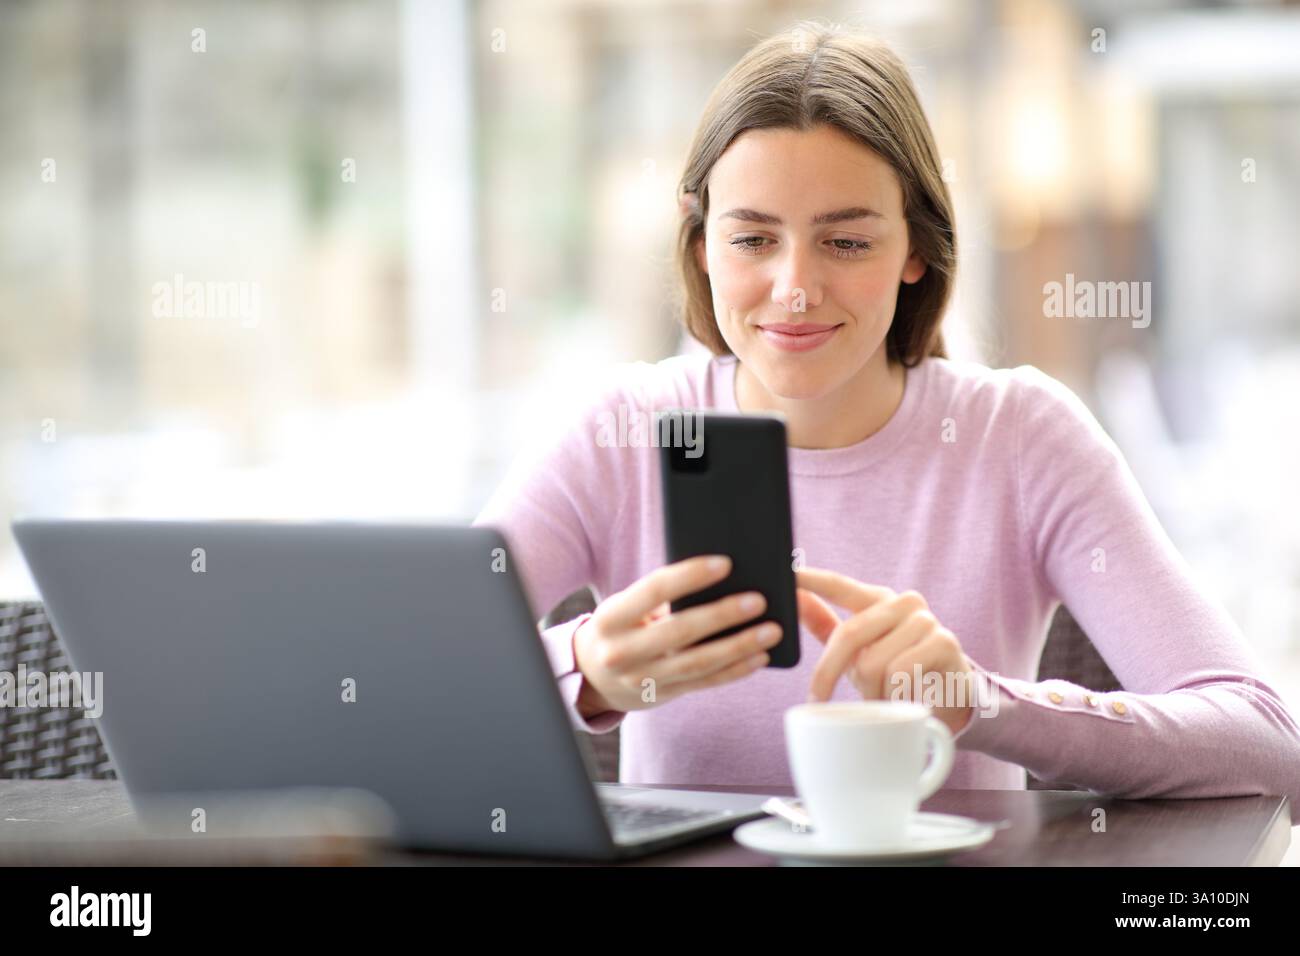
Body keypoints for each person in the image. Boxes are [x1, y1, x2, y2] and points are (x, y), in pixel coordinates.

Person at [473, 21, 1300, 804]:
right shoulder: (621, 432)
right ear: (700, 247)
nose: (794, 287)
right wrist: (582, 668)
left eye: (847, 241)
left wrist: (980, 702)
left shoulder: (1021, 438)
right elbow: (385, 683)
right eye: (753, 239)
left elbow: (1267, 745)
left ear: (915, 250)